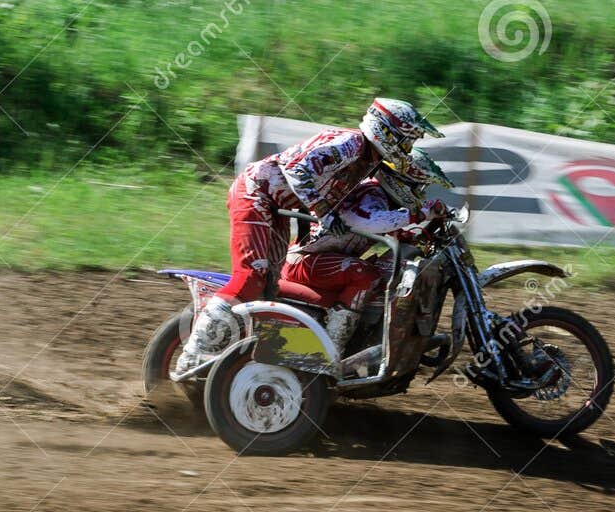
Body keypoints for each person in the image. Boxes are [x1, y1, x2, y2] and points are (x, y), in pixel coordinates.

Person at [175, 98, 442, 373]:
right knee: (251, 276)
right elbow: (296, 168)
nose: (406, 149)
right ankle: (193, 356)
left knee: (268, 285)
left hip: (276, 205)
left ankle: (250, 355)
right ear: (387, 132)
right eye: (405, 141)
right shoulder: (352, 143)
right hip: (256, 192)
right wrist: (323, 210)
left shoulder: (367, 160)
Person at [281, 148, 454, 356]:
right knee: (365, 275)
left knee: (384, 270)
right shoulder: (371, 193)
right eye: (419, 186)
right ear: (401, 180)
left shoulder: (380, 198)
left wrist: (416, 235)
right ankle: (332, 348)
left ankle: (365, 340)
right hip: (305, 261)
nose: (421, 193)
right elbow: (366, 221)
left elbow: (383, 226)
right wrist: (421, 213)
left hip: (321, 261)